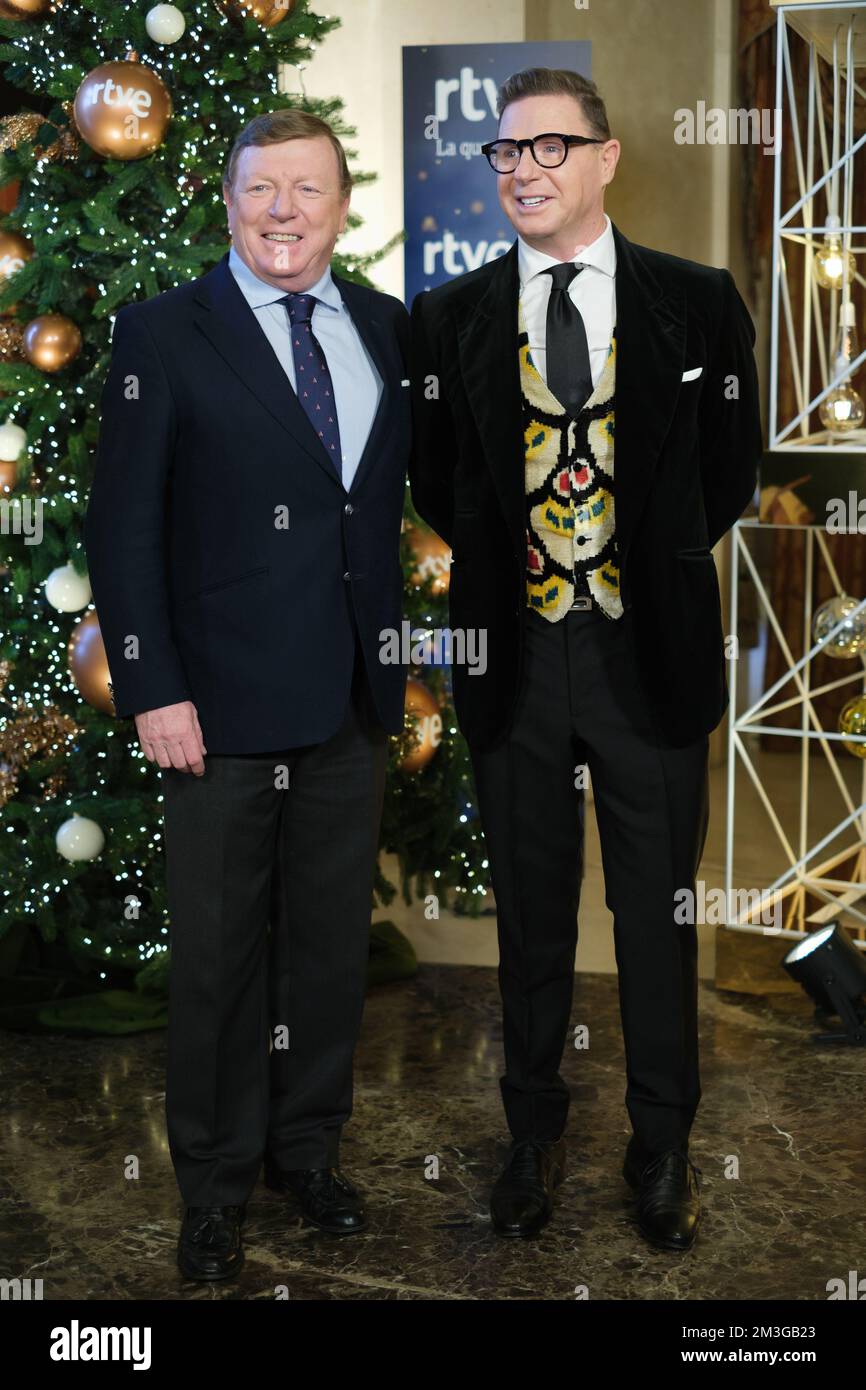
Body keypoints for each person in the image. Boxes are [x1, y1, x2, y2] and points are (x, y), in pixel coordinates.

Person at [408, 67, 762, 1250]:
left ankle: (661, 1149)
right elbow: (438, 481)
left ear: (604, 160)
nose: (523, 171)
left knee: (656, 916)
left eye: (548, 149)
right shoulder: (450, 316)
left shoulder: (695, 302)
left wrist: (636, 559)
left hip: (643, 653)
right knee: (529, 917)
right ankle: (530, 1137)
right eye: (504, 155)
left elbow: (723, 473)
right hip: (512, 655)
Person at [85, 109, 410, 1281]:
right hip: (211, 714)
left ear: (340, 204)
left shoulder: (381, 329)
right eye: (261, 187)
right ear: (228, 203)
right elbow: (121, 534)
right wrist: (153, 688)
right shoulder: (163, 334)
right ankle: (214, 1189)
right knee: (221, 962)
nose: (283, 209)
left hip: (349, 706)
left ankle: (306, 1152)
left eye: (306, 189)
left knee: (326, 951)